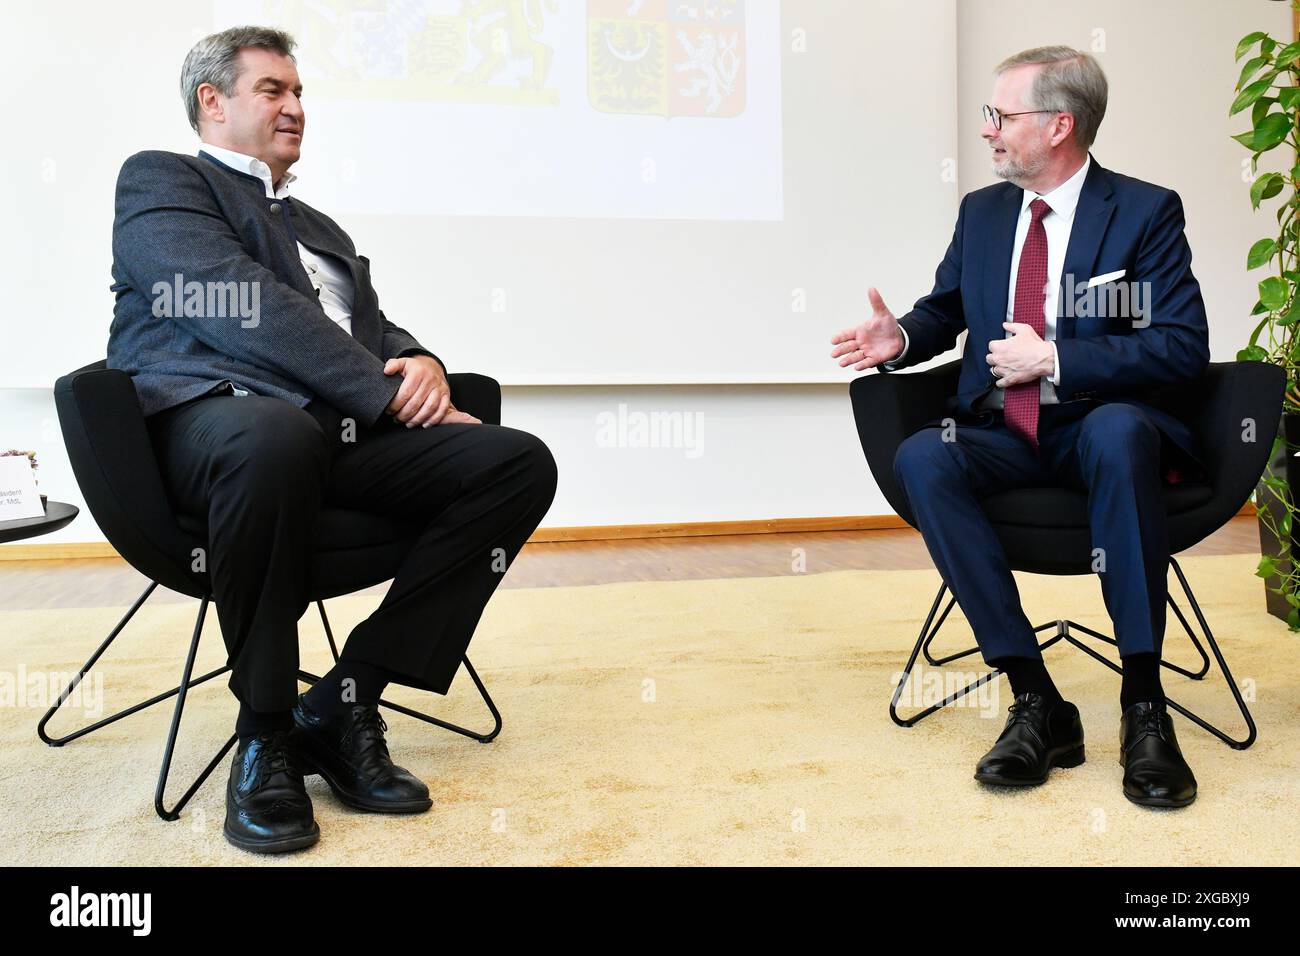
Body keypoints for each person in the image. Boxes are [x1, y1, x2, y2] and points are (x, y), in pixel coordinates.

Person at [107, 25, 558, 852]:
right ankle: (265, 731)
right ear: (212, 102)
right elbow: (233, 301)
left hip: (333, 435)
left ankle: (344, 699)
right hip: (217, 423)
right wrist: (380, 396)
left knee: (514, 462)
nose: (295, 107)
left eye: (299, 92)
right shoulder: (164, 180)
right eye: (272, 90)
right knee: (273, 434)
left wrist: (420, 362)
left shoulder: (317, 225)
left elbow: (366, 329)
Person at [830, 46, 1208, 808]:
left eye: (1001, 116)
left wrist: (1058, 357)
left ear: (1059, 125)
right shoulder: (984, 212)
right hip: (1002, 431)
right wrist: (901, 339)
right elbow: (945, 310)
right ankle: (1037, 699)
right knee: (926, 457)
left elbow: (1181, 344)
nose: (988, 130)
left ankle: (1144, 706)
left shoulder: (1143, 211)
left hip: (1095, 426)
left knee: (1119, 433)